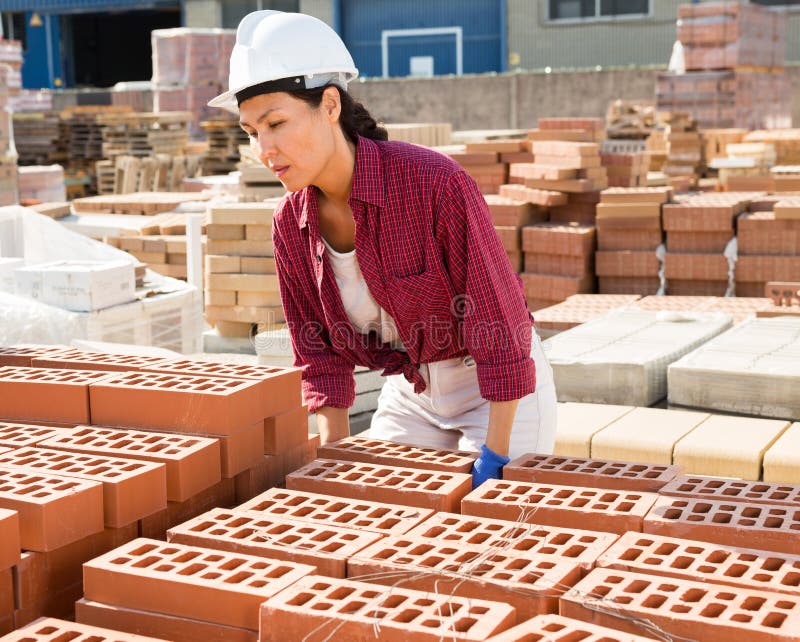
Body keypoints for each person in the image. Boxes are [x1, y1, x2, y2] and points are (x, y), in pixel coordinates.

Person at [209, 10, 557, 488]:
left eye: (276, 123)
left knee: (494, 533)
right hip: (412, 389)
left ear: (329, 105)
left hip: (494, 391)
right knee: (379, 510)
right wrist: (333, 456)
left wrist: (496, 454)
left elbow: (499, 323)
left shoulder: (432, 184)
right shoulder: (291, 223)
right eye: (251, 132)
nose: (264, 149)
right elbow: (318, 351)